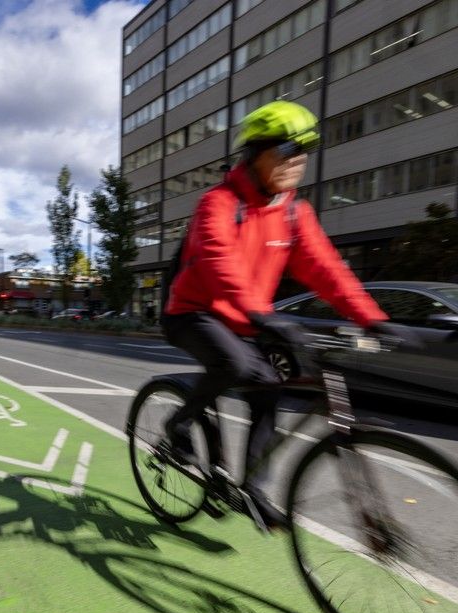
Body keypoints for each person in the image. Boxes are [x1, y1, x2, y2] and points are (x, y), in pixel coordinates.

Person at [162, 101, 409, 530]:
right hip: (193, 312)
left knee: (269, 387)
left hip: (245, 319)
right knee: (234, 364)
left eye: (305, 150)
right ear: (255, 154)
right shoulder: (217, 203)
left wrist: (372, 318)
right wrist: (261, 313)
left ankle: (253, 489)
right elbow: (218, 261)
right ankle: (178, 422)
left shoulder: (294, 213)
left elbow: (326, 269)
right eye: (287, 149)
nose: (297, 160)